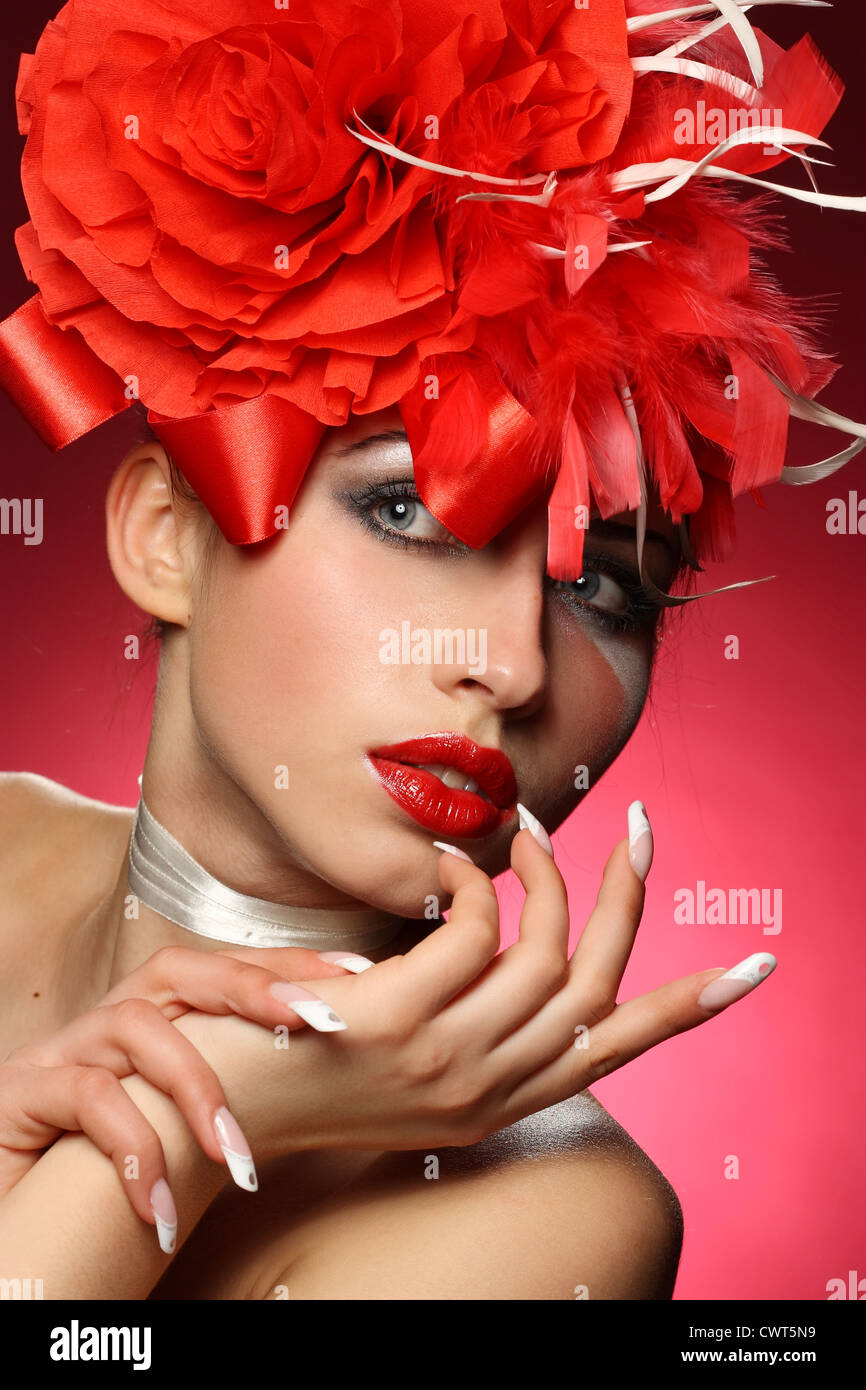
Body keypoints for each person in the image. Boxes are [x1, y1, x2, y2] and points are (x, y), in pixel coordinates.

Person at [0, 0, 862, 1300]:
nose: (509, 665)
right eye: (408, 509)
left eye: (606, 590)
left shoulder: (558, 1226)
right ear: (165, 536)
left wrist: (187, 1122)